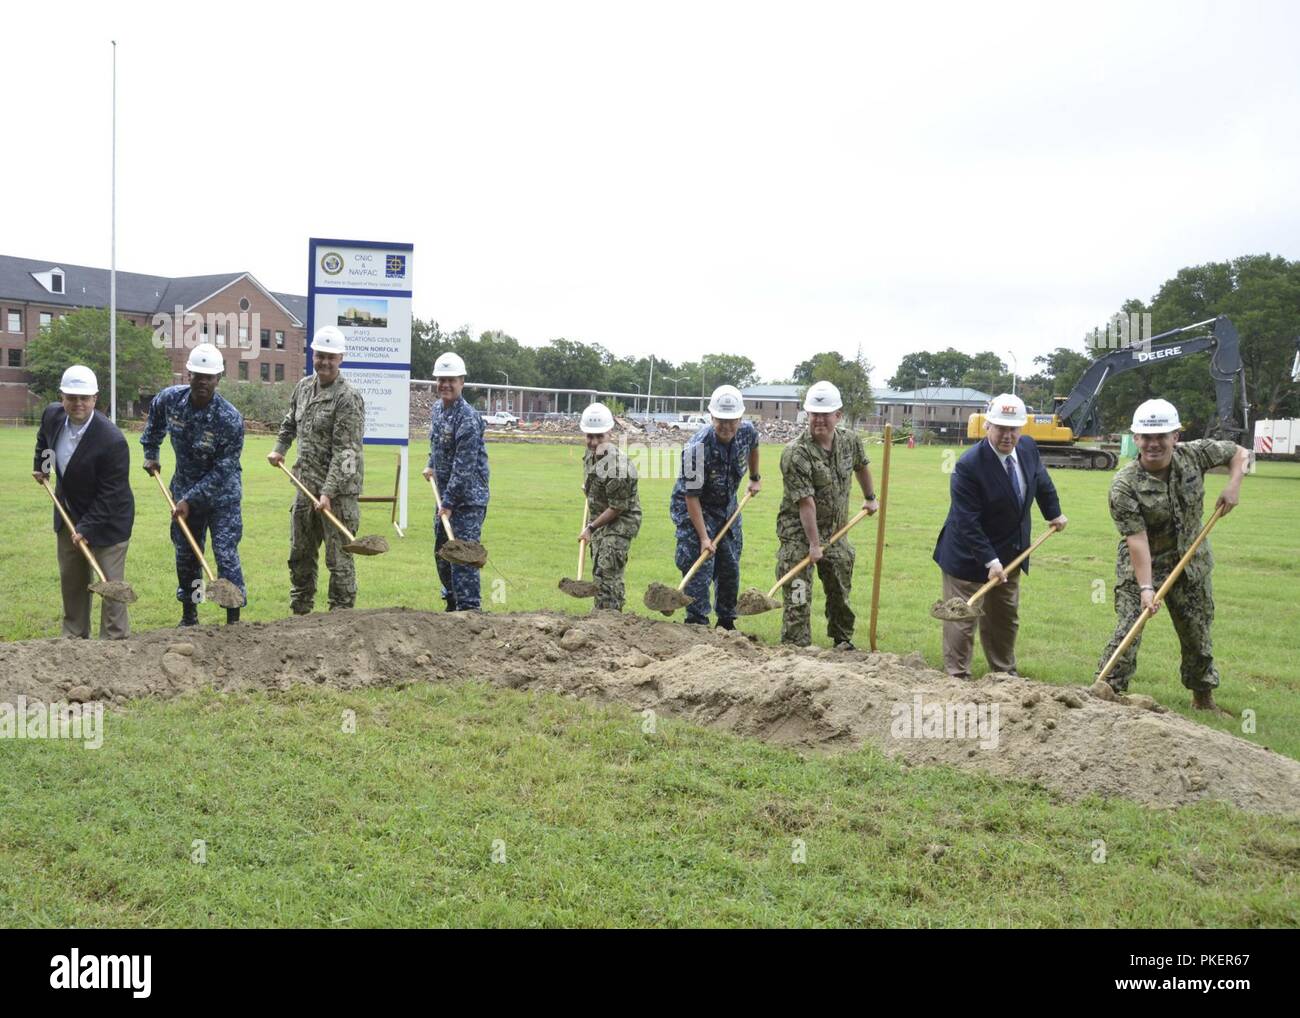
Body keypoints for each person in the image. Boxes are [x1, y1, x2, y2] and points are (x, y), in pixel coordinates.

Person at [1093, 398, 1249, 714]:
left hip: (1192, 564)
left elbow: (1240, 453)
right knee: (1130, 627)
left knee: (1197, 633)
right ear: (1135, 439)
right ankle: (1105, 692)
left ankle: (1203, 699)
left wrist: (1234, 485)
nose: (1153, 444)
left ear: (1175, 436)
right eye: (1146, 437)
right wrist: (1146, 588)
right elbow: (1137, 541)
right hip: (1143, 564)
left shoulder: (1195, 454)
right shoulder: (1124, 485)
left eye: (1161, 436)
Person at [932, 393, 1066, 679]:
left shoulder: (1028, 448)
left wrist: (1053, 512)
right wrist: (989, 560)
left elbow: (1040, 480)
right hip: (967, 556)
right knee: (962, 617)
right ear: (987, 427)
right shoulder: (968, 466)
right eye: (1001, 428)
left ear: (1022, 428)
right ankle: (957, 677)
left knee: (1004, 617)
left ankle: (1004, 674)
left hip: (1011, 551)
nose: (1008, 435)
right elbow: (967, 521)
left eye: (1013, 428)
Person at [141, 343, 247, 626]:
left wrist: (190, 499)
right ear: (188, 374)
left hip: (222, 497)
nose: (202, 381)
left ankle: (233, 620)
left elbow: (224, 469)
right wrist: (151, 454)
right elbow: (153, 427)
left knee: (225, 555)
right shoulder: (169, 400)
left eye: (208, 377)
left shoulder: (229, 419)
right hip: (183, 493)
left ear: (218, 378)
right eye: (197, 375)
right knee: (187, 554)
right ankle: (190, 616)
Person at [31, 364, 135, 639]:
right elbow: (44, 440)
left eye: (84, 398)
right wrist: (43, 465)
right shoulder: (52, 415)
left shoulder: (112, 440)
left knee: (109, 583)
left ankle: (114, 642)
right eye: (72, 397)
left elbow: (111, 494)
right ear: (62, 396)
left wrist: (86, 528)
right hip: (68, 510)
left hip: (109, 520)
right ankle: (74, 638)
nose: (78, 403)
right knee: (72, 579)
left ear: (95, 399)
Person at [267, 325, 366, 613]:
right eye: (319, 356)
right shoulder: (303, 388)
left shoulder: (348, 398)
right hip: (304, 486)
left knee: (339, 558)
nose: (324, 362)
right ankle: (301, 610)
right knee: (300, 552)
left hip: (338, 493)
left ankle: (341, 615)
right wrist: (279, 449)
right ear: (313, 355)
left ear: (341, 359)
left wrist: (328, 493)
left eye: (330, 357)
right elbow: (289, 423)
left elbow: (347, 453)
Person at [775, 381, 878, 648]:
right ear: (806, 414)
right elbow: (805, 503)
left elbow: (861, 466)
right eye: (814, 414)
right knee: (798, 595)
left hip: (836, 533)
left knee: (840, 591)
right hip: (799, 536)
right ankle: (795, 648)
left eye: (825, 414)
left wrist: (870, 498)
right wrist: (812, 545)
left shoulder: (850, 441)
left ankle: (843, 640)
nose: (819, 419)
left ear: (838, 415)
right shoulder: (795, 453)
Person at [669, 385, 760, 629]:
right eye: (721, 421)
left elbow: (753, 446)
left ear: (740, 418)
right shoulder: (695, 449)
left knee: (729, 566)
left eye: (732, 421)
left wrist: (755, 477)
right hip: (694, 510)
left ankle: (726, 622)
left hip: (727, 506)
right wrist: (703, 537)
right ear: (712, 417)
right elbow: (691, 498)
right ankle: (696, 622)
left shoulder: (746, 431)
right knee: (700, 567)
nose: (727, 427)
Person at [421, 351, 490, 611]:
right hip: (446, 498)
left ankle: (470, 611)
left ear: (462, 382)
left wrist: (448, 503)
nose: (445, 385)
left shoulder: (468, 419)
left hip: (468, 500)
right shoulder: (438, 409)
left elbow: (464, 468)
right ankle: (452, 604)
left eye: (451, 380)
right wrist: (431, 464)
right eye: (441, 380)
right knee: (442, 553)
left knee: (462, 558)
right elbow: (437, 444)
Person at [579, 402, 641, 611]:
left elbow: (617, 508)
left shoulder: (619, 467)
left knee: (608, 569)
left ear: (610, 433)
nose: (594, 441)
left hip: (621, 520)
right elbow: (595, 481)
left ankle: (611, 618)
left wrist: (591, 528)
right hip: (601, 517)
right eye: (589, 436)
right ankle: (601, 614)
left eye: (600, 436)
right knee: (598, 567)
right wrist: (589, 490)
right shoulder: (590, 454)